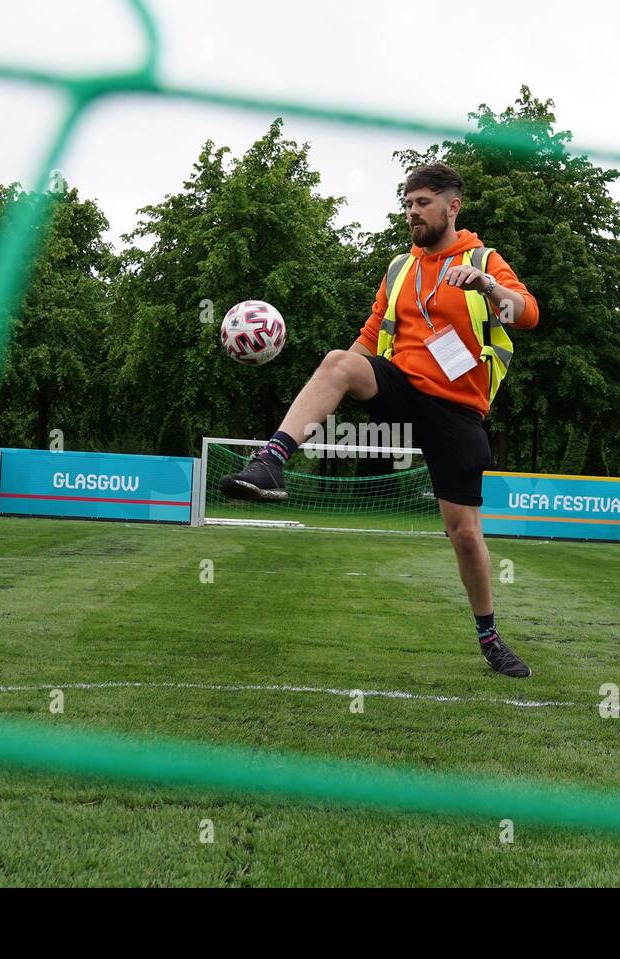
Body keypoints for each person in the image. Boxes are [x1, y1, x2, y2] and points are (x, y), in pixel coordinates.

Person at [221, 162, 540, 677]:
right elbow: (370, 337)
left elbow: (527, 313)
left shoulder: (483, 258)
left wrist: (486, 285)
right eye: (408, 203)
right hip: (402, 388)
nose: (413, 212)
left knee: (463, 533)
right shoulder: (398, 269)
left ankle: (491, 639)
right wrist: (336, 380)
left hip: (458, 409)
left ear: (452, 206)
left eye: (423, 203)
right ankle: (270, 461)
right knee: (336, 359)